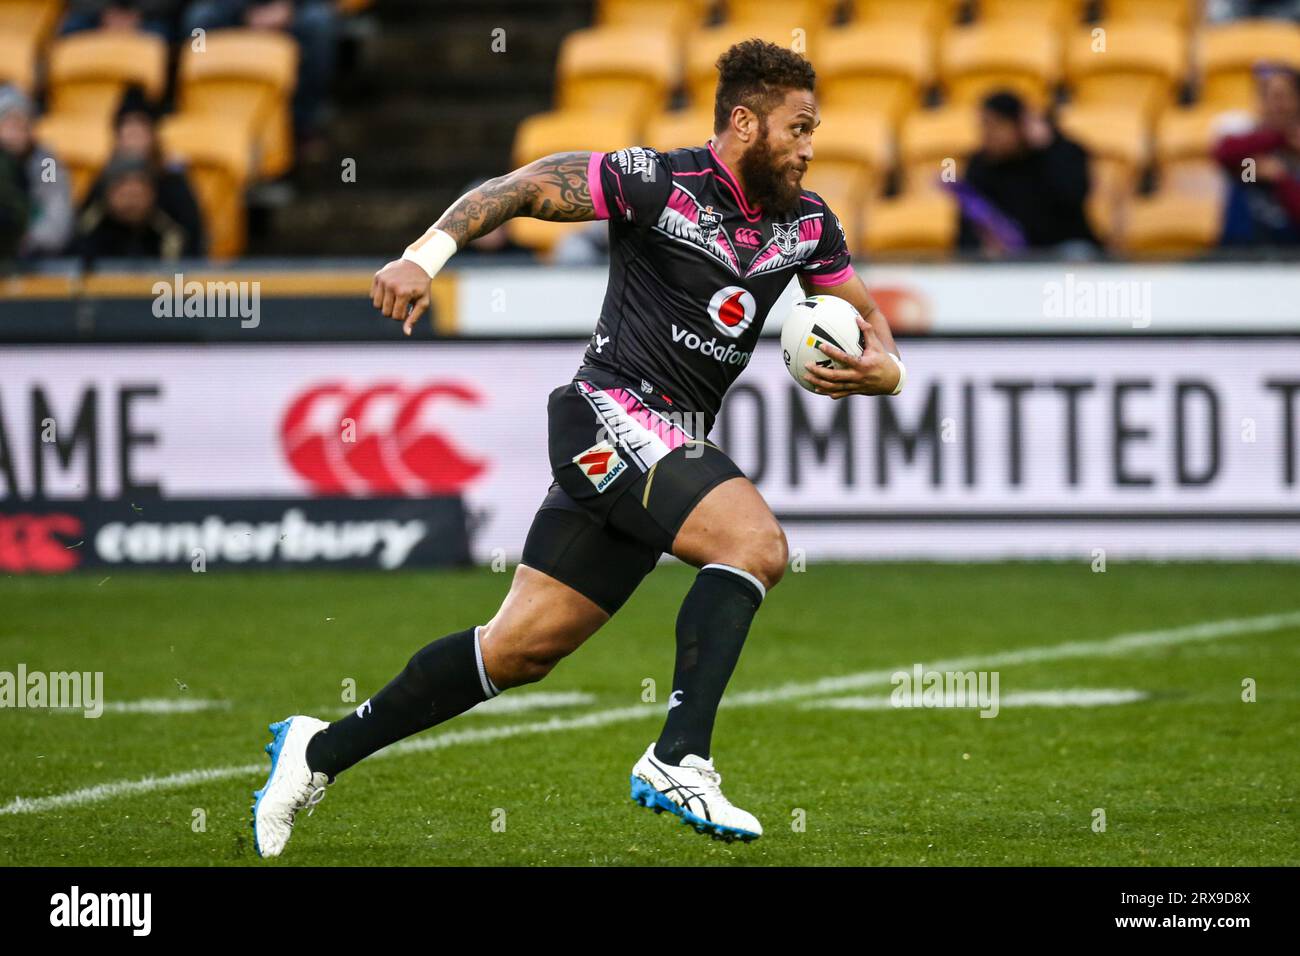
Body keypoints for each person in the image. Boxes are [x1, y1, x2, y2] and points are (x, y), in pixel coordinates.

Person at [251, 39, 906, 857]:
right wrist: (424, 258)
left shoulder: (808, 225)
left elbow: (872, 328)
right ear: (744, 122)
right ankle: (680, 757)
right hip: (609, 412)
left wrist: (887, 374)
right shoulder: (657, 181)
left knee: (518, 649)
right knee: (754, 544)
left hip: (669, 442)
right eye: (799, 127)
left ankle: (318, 750)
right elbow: (519, 187)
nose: (812, 146)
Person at [957, 90, 1096, 256]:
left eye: (996, 126)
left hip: (1062, 248)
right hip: (1009, 256)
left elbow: (1073, 196)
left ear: (1019, 126)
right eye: (984, 126)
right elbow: (968, 222)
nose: (988, 135)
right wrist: (982, 244)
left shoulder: (1063, 152)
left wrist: (1048, 149)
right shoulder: (980, 164)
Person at [182, 0, 338, 140]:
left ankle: (300, 124)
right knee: (199, 21)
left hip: (292, 11)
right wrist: (245, 10)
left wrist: (288, 7)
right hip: (235, 9)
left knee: (319, 22)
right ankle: (204, 116)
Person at [81, 87, 206, 255]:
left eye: (140, 127)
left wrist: (151, 211)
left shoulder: (171, 179)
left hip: (163, 272)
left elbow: (192, 235)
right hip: (108, 271)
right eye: (126, 127)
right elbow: (82, 232)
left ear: (153, 134)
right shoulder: (105, 178)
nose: (133, 135)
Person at [1214, 66, 1300, 246]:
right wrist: (1281, 138)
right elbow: (1225, 155)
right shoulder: (1251, 138)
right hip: (1243, 250)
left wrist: (1280, 179)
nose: (1274, 105)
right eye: (1266, 97)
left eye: (1281, 97)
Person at [73, 154, 200, 263]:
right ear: (108, 195)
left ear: (152, 195)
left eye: (137, 195)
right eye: (124, 195)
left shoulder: (169, 230)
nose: (131, 202)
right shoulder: (89, 227)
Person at [0, 85, 74, 258]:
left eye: (20, 122)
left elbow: (56, 217)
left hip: (36, 256)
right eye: (7, 122)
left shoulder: (46, 163)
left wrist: (24, 241)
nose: (14, 130)